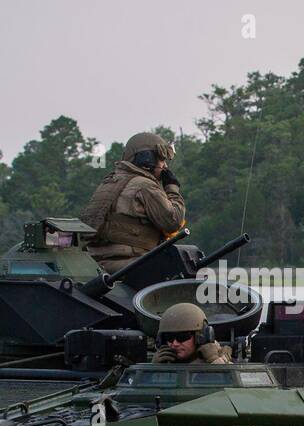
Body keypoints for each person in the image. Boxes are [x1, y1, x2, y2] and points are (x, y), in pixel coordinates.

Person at [80, 132, 186, 272]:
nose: (165, 166)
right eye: (161, 160)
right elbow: (173, 222)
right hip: (131, 266)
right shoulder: (145, 186)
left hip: (96, 265)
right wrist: (172, 188)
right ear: (147, 160)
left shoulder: (108, 183)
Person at [152, 303, 232, 364]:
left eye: (182, 337)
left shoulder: (219, 356)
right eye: (169, 337)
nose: (175, 343)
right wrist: (153, 369)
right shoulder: (164, 359)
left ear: (201, 337)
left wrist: (215, 361)